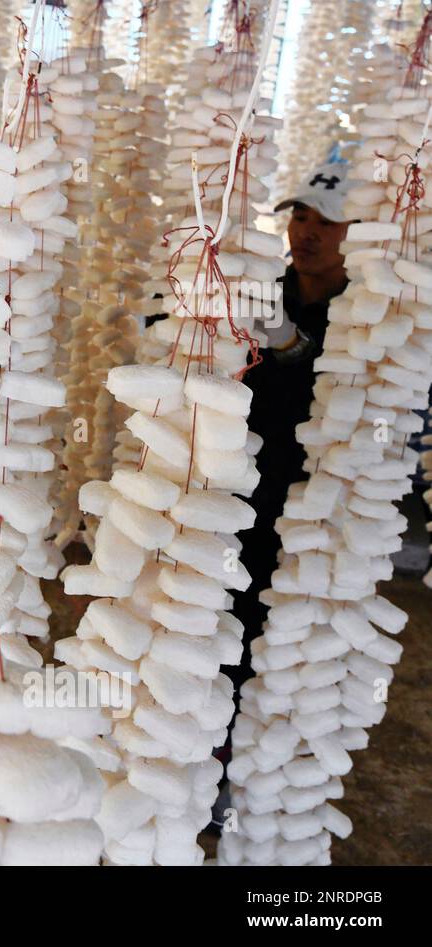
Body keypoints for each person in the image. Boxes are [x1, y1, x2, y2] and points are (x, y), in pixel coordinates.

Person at [228, 162, 355, 696]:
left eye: (327, 223)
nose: (307, 232)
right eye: (300, 217)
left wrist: (293, 346)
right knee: (221, 611)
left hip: (307, 501)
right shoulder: (264, 290)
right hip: (237, 485)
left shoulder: (367, 314)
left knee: (276, 626)